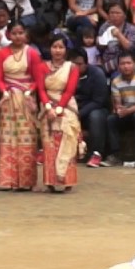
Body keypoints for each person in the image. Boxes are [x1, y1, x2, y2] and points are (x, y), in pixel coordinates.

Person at [0, 22, 45, 190]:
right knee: (8, 136)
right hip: (8, 98)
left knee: (26, 136)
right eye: (14, 33)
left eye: (20, 33)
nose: (17, 36)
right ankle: (7, 180)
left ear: (25, 34)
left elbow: (38, 79)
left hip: (26, 98)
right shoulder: (2, 53)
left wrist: (28, 91)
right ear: (8, 35)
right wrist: (4, 91)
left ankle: (26, 181)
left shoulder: (32, 53)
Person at [39, 34, 81, 192]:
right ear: (50, 48)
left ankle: (67, 179)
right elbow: (41, 89)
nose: (57, 50)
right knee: (50, 144)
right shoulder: (42, 66)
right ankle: (50, 181)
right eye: (54, 47)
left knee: (67, 139)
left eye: (61, 47)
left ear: (66, 49)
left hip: (66, 105)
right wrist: (48, 107)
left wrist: (58, 109)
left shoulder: (72, 68)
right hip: (47, 106)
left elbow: (69, 90)